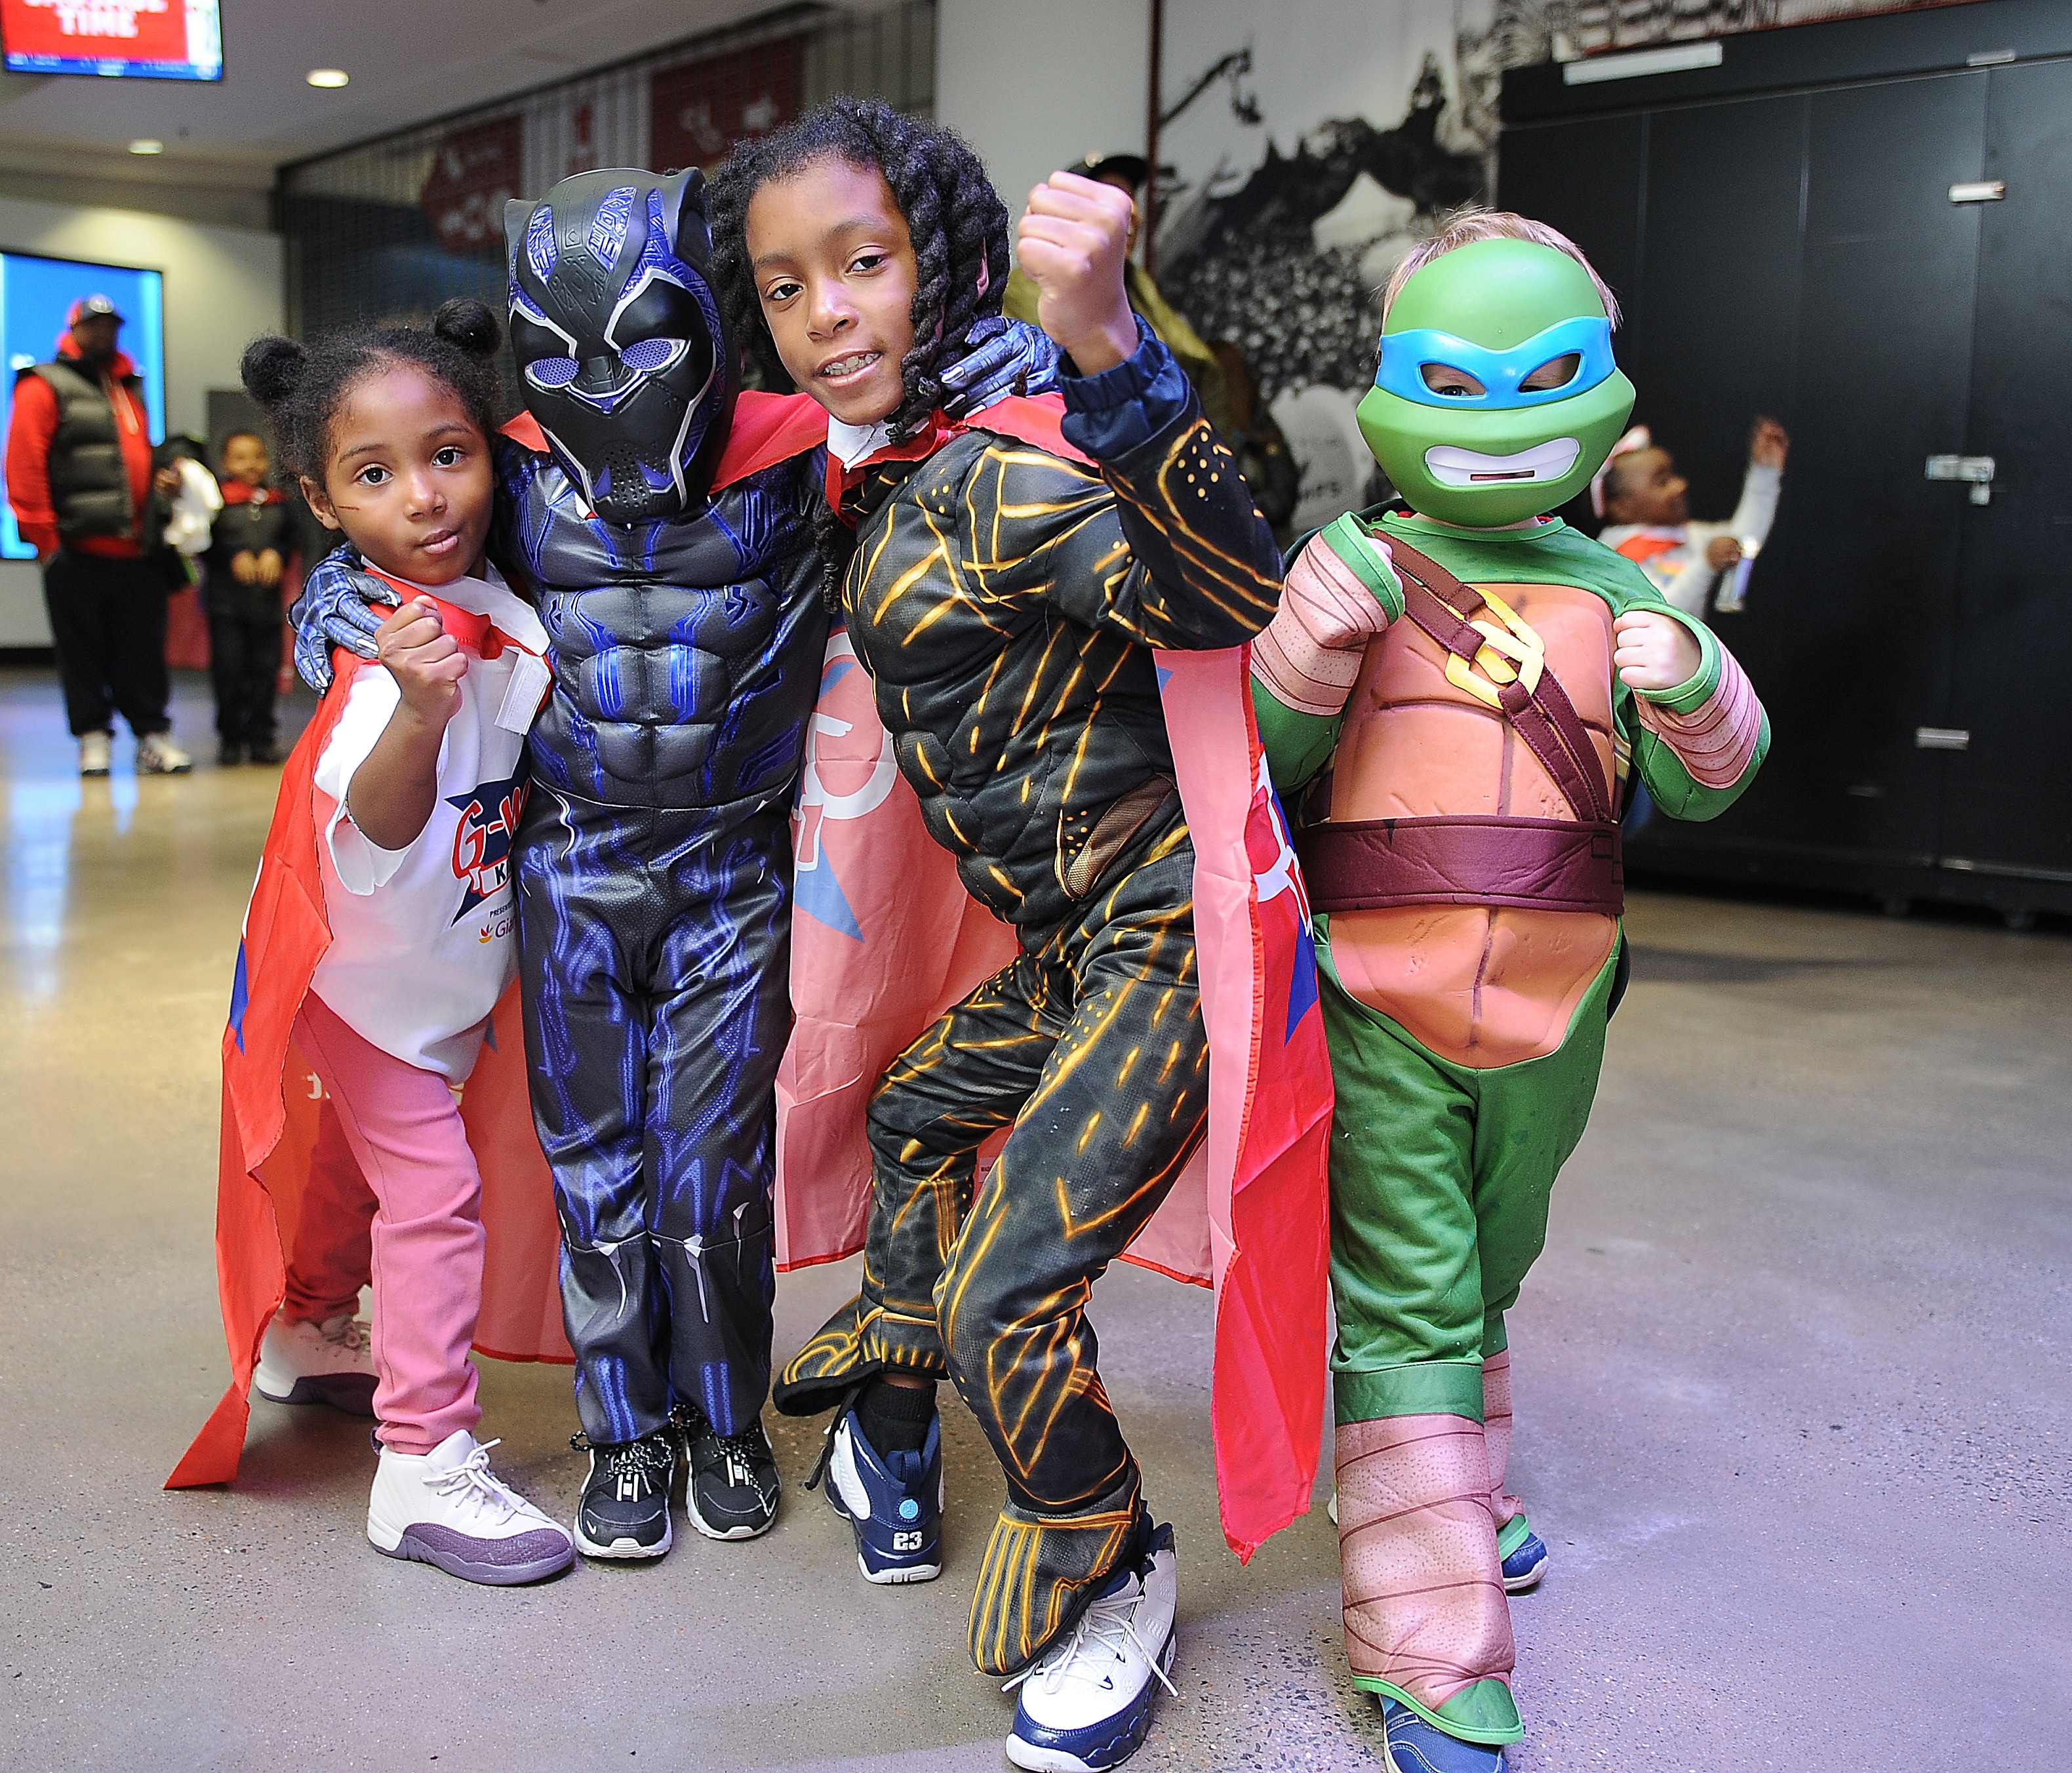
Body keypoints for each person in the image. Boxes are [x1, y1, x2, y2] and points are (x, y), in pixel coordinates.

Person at [285, 167, 1060, 1564]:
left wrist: (1026, 372)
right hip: (569, 862)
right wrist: (335, 579)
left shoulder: (801, 452)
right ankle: (620, 1433)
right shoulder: (514, 471)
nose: (606, 382)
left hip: (728, 867)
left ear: (709, 319)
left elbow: (968, 471)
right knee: (597, 1175)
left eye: (643, 339)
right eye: (567, 349)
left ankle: (723, 1420)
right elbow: (414, 511)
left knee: (712, 1177)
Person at [711, 100, 1293, 1772]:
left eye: (865, 265)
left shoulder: (996, 479)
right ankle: (895, 1390)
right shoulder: (886, 465)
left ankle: (1112, 1545)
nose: (826, 314)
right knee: (914, 1114)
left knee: (1007, 1296)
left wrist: (1110, 345)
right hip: (1076, 947)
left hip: (1168, 938)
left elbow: (1226, 598)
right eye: (787, 287)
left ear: (946, 265)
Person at [1248, 209, 1770, 1773]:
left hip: (1559, 1001)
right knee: (1412, 1277)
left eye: (1532, 374)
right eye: (1453, 379)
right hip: (1377, 991)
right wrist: (1302, 656)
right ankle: (1429, 1646)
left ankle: (1452, 1471)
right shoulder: (1353, 562)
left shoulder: (1616, 586)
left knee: (1492, 1251)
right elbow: (1251, 774)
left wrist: (1682, 683)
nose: (1494, 419)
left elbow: (1726, 771)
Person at [205, 300, 574, 1585]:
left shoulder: (484, 589)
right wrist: (421, 707)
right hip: (369, 987)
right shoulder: (380, 652)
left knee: (349, 1176)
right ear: (318, 496)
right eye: (375, 474)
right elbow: (375, 807)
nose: (424, 496)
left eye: (448, 452)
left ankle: (303, 1333)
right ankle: (421, 1458)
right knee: (431, 1195)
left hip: (438, 967)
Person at [6, 293, 191, 776]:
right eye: (94, 326)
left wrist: (159, 483)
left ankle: (153, 737)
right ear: (73, 331)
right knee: (81, 652)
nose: (104, 334)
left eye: (111, 326)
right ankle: (93, 739)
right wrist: (44, 542)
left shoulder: (129, 388)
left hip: (139, 552)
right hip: (76, 549)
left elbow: (125, 461)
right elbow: (23, 465)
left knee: (143, 653)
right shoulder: (44, 385)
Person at [1003, 151, 1231, 435]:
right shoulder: (1027, 287)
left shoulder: (1135, 283)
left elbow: (1199, 365)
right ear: (1068, 211)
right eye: (1116, 196)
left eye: (1132, 196)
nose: (1135, 212)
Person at [1595, 417, 1789, 619]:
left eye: (1673, 475)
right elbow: (1661, 611)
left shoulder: (1684, 536)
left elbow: (1744, 539)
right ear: (1624, 508)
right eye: (1662, 482)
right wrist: (1706, 563)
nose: (1680, 485)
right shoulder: (1619, 560)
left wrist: (1765, 472)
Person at [204, 430, 296, 765]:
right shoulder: (216, 501)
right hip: (226, 605)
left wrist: (277, 553)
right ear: (226, 463)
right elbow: (204, 542)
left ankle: (261, 737)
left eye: (257, 456)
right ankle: (231, 738)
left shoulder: (278, 501)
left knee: (264, 672)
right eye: (240, 458)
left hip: (265, 607)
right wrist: (232, 554)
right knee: (229, 671)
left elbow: (290, 538)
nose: (251, 464)